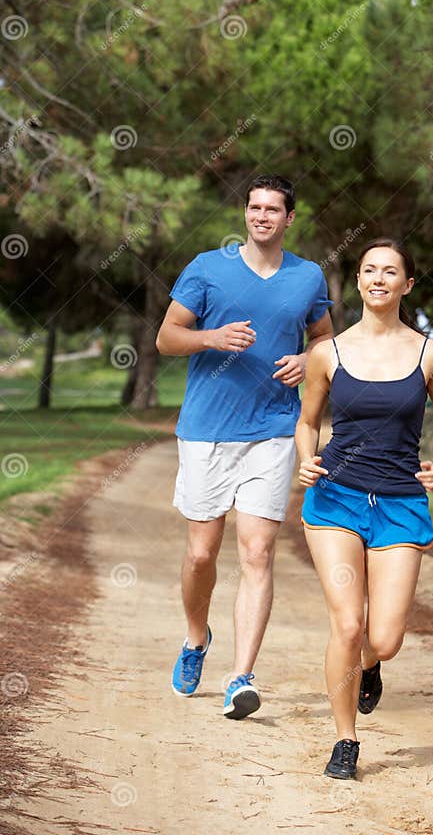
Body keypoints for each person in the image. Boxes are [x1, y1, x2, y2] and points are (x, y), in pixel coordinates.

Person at [156, 175, 333, 719]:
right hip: (207, 430)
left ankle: (241, 677)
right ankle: (195, 638)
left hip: (274, 431)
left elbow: (326, 338)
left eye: (273, 209)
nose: (262, 216)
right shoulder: (207, 268)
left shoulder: (307, 277)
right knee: (201, 554)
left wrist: (308, 361)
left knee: (257, 553)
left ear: (289, 218)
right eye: (254, 207)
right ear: (246, 214)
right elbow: (166, 338)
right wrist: (211, 337)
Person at [295, 237, 433, 778]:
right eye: (369, 270)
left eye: (390, 271)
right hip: (335, 498)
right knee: (347, 624)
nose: (378, 278)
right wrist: (306, 458)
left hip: (399, 502)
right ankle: (345, 739)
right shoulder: (328, 353)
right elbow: (307, 422)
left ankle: (370, 667)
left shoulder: (429, 354)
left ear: (406, 285)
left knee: (383, 639)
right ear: (360, 281)